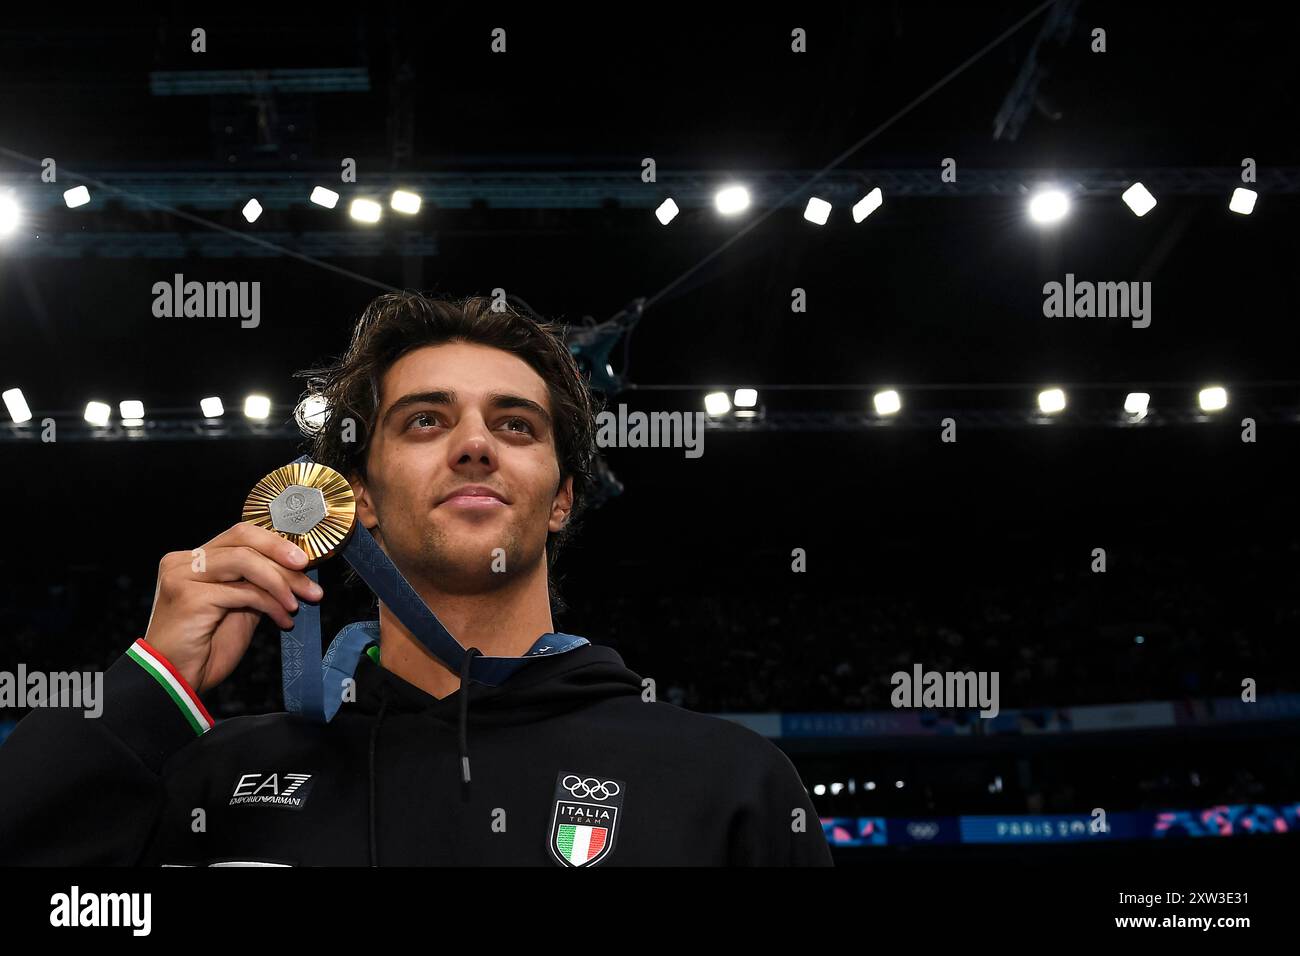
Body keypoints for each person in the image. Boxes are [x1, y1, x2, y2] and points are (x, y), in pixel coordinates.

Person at [0, 292, 832, 866]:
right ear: (356, 497)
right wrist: (146, 691)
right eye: (425, 419)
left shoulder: (729, 785)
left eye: (515, 423)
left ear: (561, 501)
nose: (475, 444)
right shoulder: (209, 778)